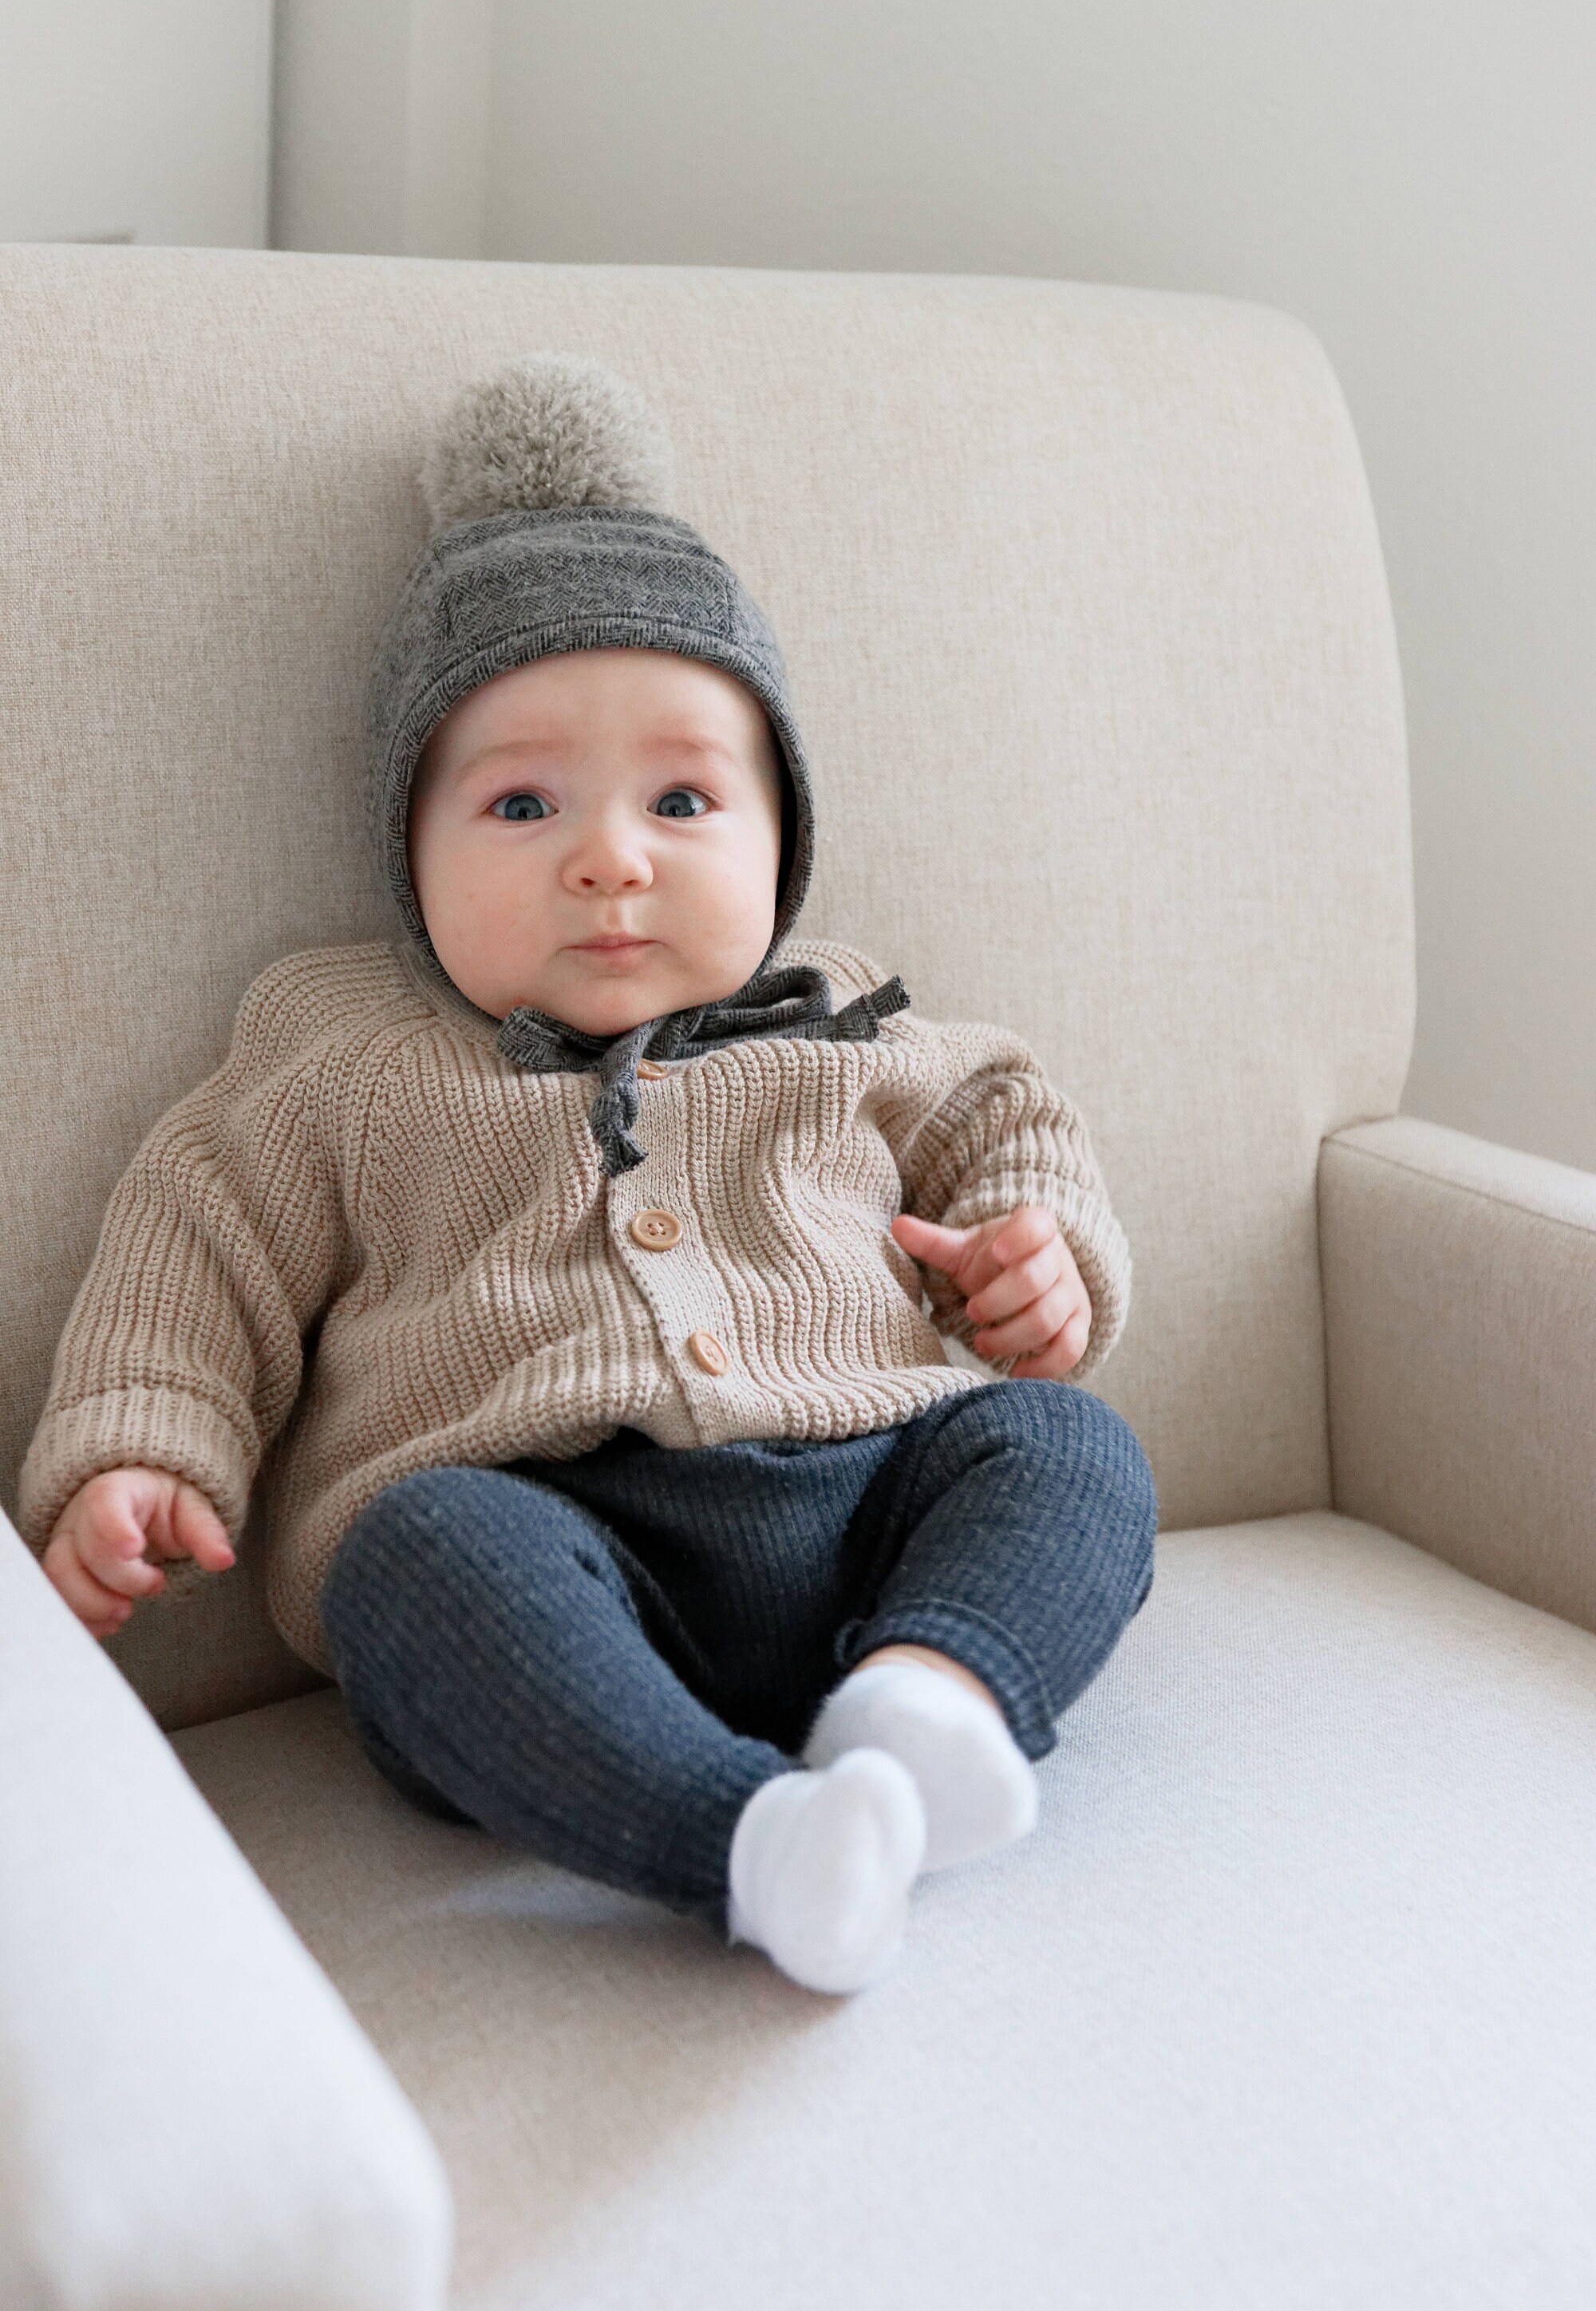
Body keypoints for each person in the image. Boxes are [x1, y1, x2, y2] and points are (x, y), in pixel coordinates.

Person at [18, 354, 1158, 1995]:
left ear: (783, 838)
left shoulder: (850, 1020)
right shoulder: (346, 1047)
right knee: (413, 1563)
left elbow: (1011, 1118)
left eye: (685, 798)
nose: (608, 857)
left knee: (1061, 1446)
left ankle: (931, 1705)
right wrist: (139, 1448)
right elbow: (196, 1242)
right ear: (406, 844)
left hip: (862, 1494)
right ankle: (753, 1844)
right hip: (544, 1542)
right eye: (521, 801)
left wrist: (1038, 1256)